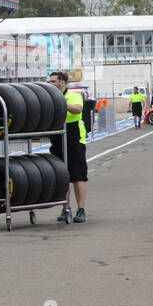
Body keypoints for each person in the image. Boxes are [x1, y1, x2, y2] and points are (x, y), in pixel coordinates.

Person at [49, 71, 88, 223]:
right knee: (62, 175)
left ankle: (81, 209)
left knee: (78, 176)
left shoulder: (73, 95)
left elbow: (78, 109)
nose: (50, 84)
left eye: (53, 81)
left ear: (62, 83)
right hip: (57, 135)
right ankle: (66, 208)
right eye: (50, 81)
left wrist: (63, 104)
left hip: (74, 137)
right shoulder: (50, 97)